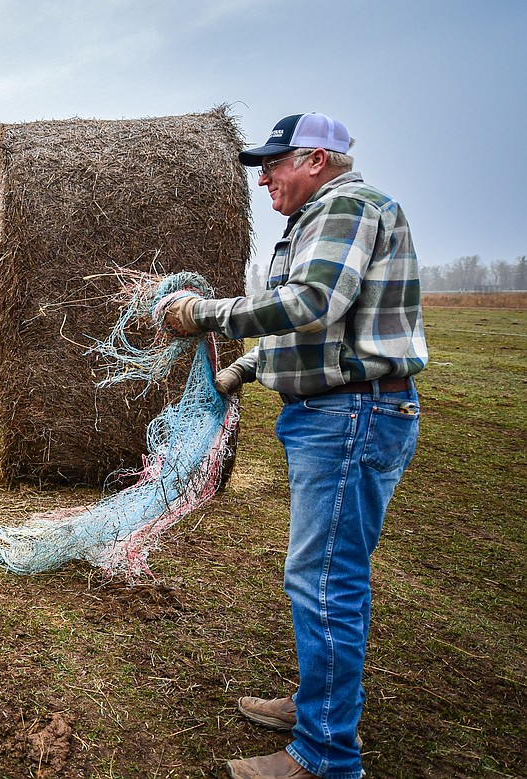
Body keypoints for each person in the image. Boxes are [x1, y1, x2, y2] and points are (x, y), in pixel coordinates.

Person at [159, 112, 428, 779]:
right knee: (322, 573)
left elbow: (310, 302)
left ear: (315, 159)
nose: (264, 179)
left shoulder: (347, 206)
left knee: (324, 579)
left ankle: (325, 755)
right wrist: (243, 369)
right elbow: (313, 327)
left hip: (350, 416)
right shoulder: (320, 218)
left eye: (272, 165)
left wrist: (205, 313)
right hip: (340, 413)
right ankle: (317, 705)